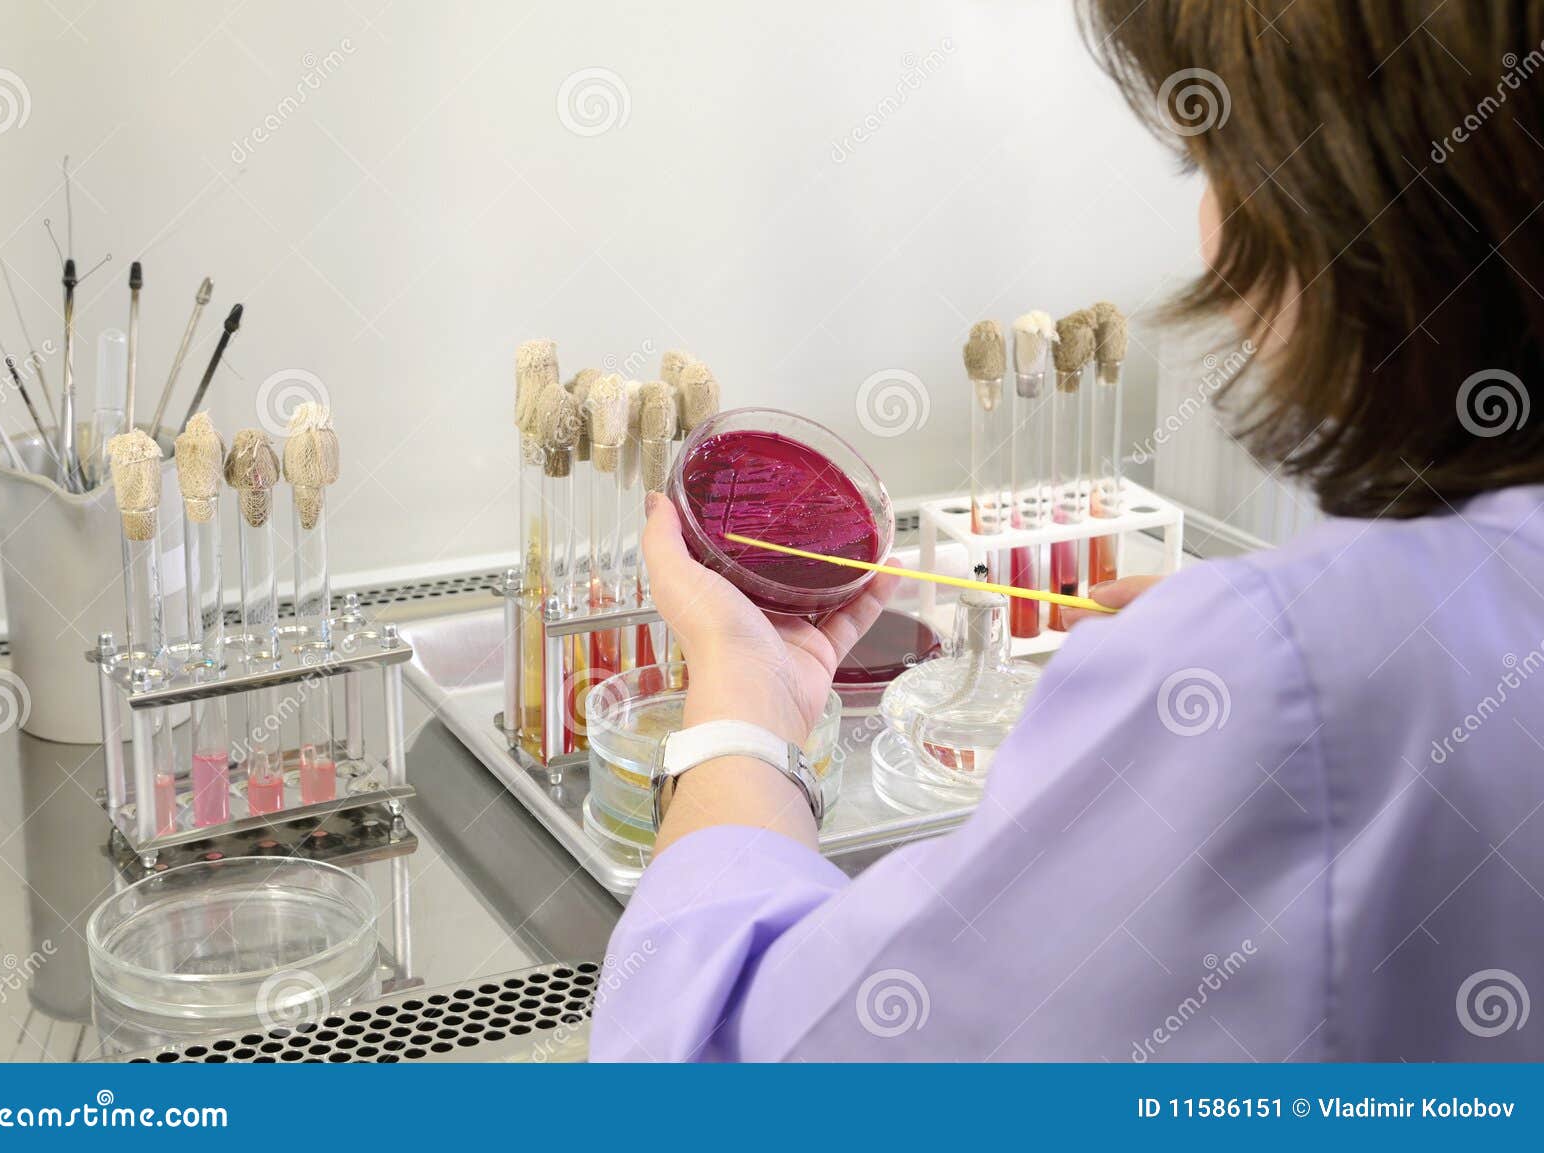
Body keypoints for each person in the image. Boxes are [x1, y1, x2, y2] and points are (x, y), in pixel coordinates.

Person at [589, 0, 1544, 1061]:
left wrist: (740, 707)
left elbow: (723, 1073)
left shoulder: (1280, 675)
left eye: (1210, 162)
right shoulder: (1341, 644)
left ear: (1362, 201)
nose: (1210, 227)